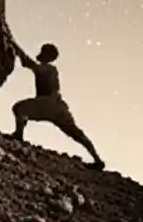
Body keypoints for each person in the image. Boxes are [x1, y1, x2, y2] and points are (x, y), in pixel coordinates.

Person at [10, 41, 106, 170]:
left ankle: (18, 135)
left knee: (19, 108)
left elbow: (29, 63)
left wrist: (14, 45)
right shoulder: (48, 69)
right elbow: (28, 63)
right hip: (58, 107)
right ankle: (97, 159)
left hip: (48, 103)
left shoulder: (49, 68)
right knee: (76, 133)